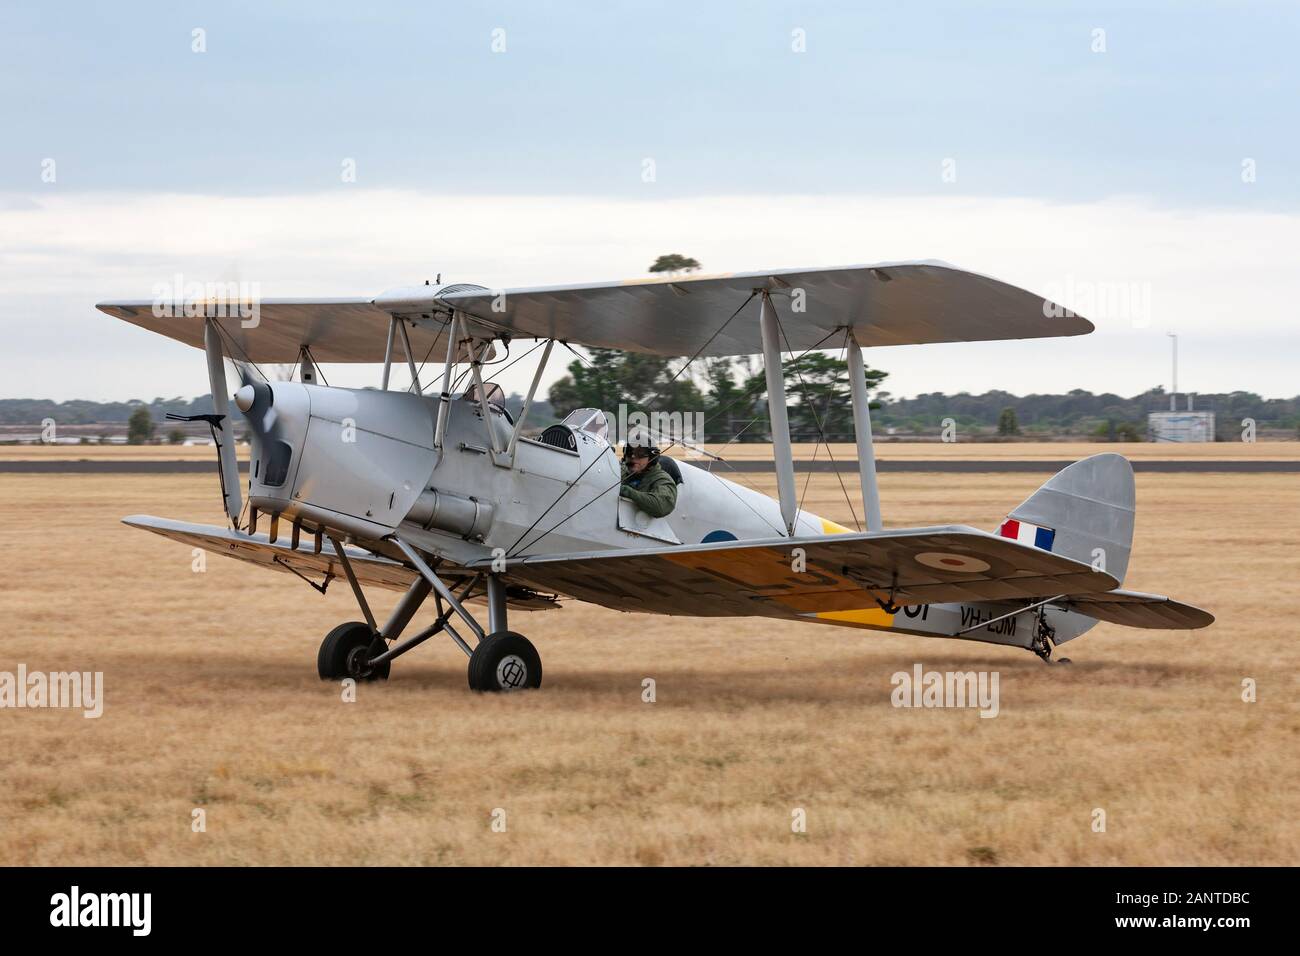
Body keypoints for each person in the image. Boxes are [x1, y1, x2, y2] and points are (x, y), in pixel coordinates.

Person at [619, 431, 678, 518]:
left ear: (651, 458)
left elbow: (662, 506)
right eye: (629, 451)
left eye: (640, 453)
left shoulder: (662, 479)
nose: (633, 457)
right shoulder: (619, 469)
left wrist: (629, 492)